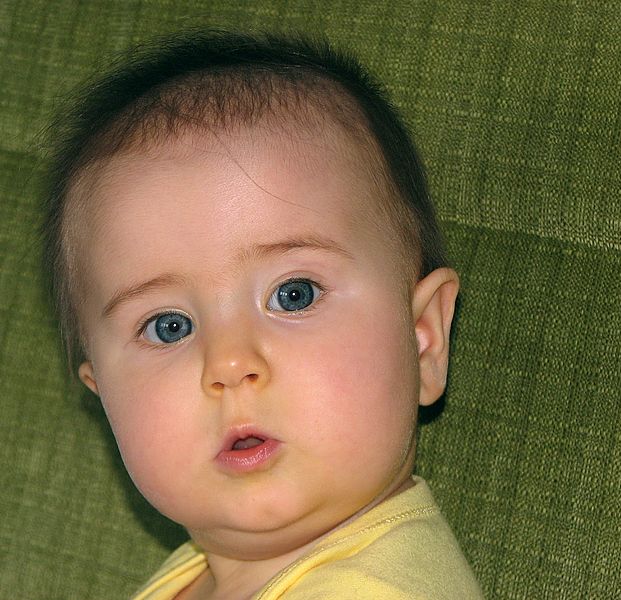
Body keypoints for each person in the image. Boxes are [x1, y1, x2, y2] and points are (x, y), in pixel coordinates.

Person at [41, 28, 482, 599]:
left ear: (422, 339)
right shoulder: (193, 577)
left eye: (293, 294)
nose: (228, 363)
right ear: (103, 395)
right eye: (168, 327)